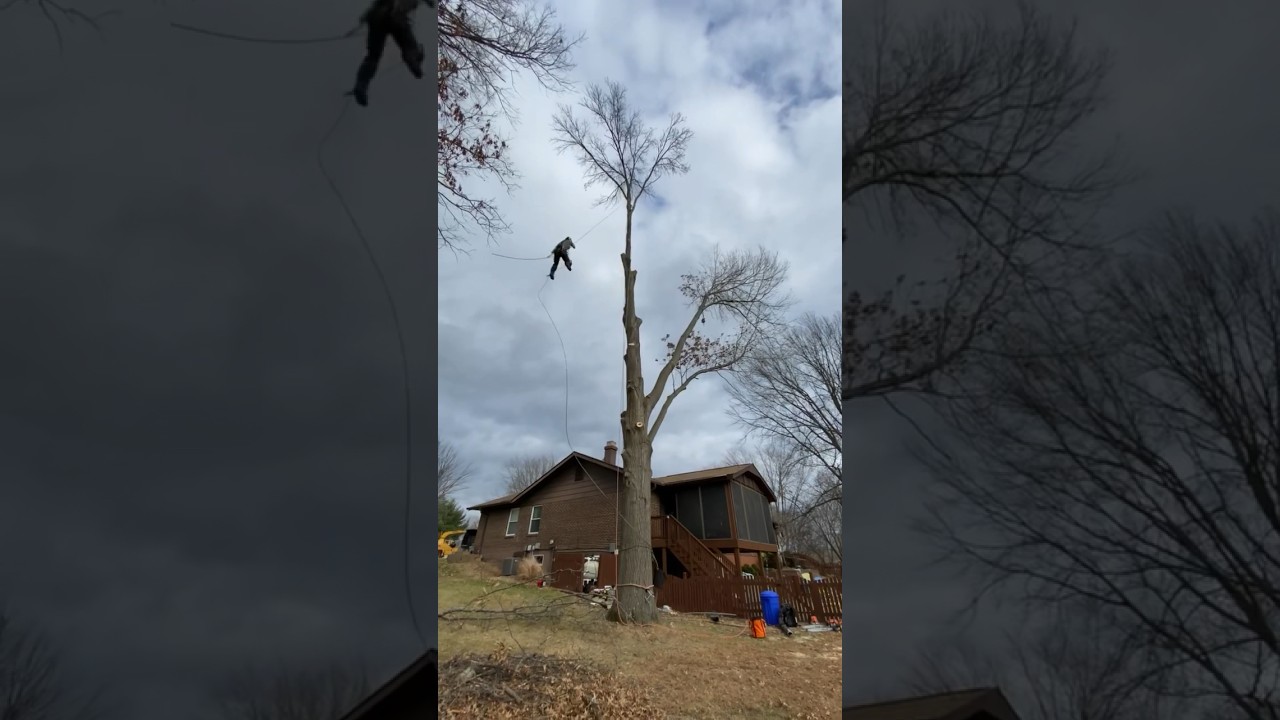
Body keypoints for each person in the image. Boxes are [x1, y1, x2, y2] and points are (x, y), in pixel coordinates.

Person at [350, 0, 427, 107]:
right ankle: (412, 58)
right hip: (393, 16)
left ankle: (361, 85)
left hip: (377, 18)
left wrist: (366, 17)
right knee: (408, 44)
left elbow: (375, 6)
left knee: (373, 56)